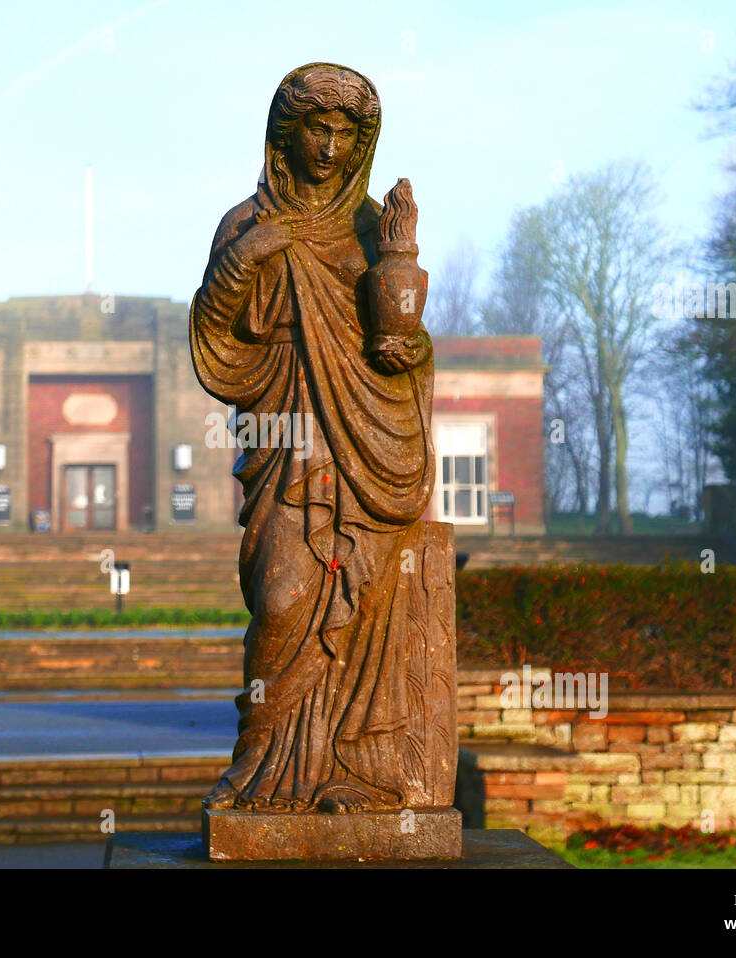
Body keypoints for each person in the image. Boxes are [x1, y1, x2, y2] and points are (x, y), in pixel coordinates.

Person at [190, 63, 436, 813]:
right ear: (283, 133)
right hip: (284, 437)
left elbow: (405, 340)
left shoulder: (370, 228)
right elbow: (217, 341)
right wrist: (249, 255)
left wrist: (410, 347)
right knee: (284, 597)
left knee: (358, 609)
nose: (328, 146)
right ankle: (260, 767)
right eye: (314, 128)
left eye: (344, 132)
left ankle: (346, 775)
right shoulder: (244, 221)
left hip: (363, 446)